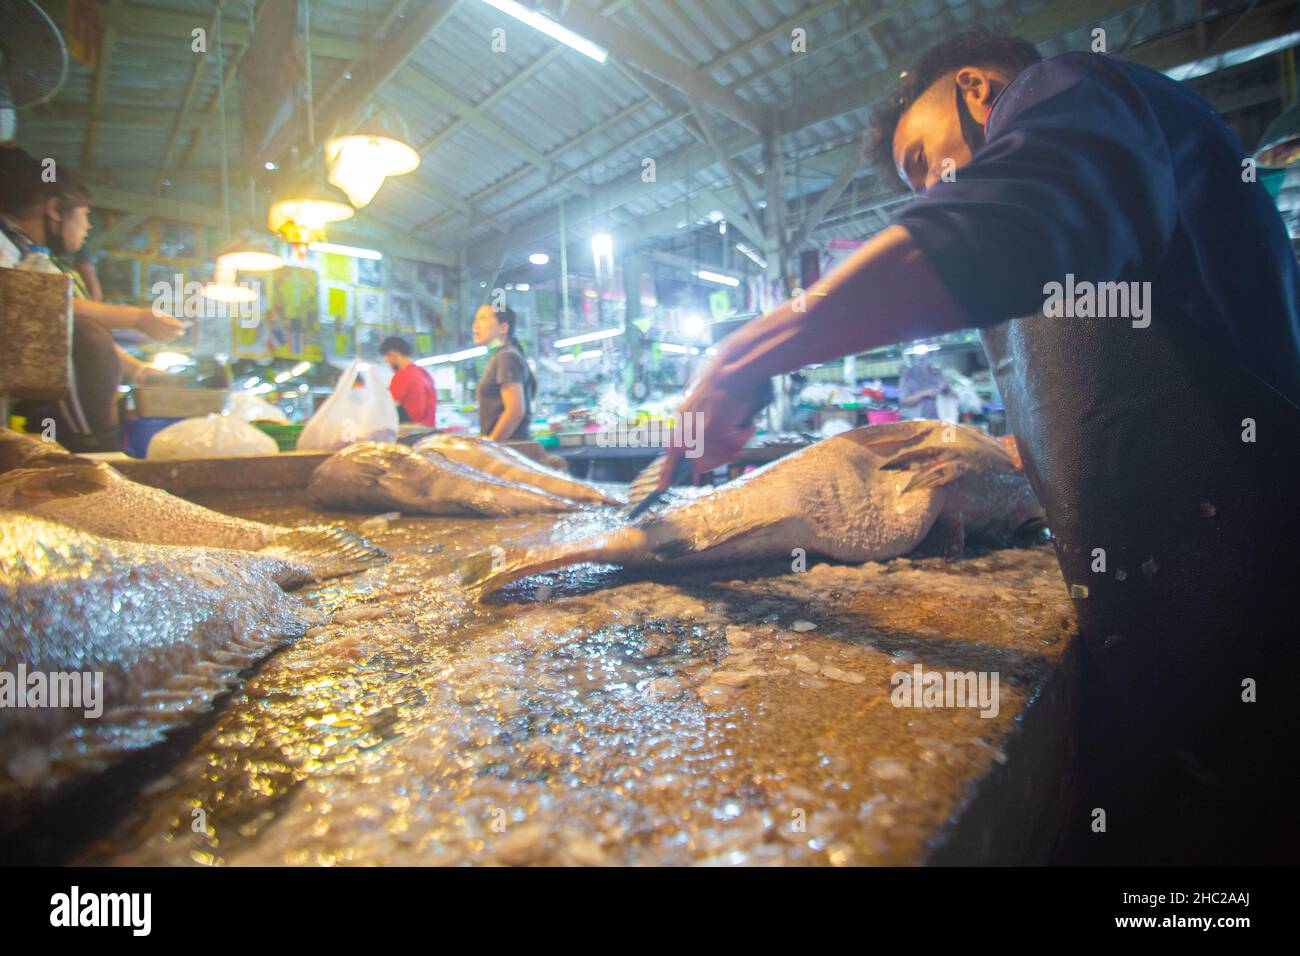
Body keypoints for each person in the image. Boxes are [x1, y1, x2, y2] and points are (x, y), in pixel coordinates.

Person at [656, 30, 1300, 864]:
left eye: (921, 158)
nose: (926, 187)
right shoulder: (1086, 228)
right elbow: (1124, 398)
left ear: (978, 89)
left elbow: (1007, 222)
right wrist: (1003, 452)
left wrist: (742, 355)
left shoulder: (1076, 92)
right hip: (1173, 647)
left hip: (1246, 637)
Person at [0, 148, 184, 450]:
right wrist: (137, 318)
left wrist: (137, 370)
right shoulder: (5, 245)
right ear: (55, 210)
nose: (88, 228)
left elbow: (67, 315)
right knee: (89, 337)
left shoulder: (35, 257)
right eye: (85, 217)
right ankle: (94, 447)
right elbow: (50, 306)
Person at [471, 304, 536, 442]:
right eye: (475, 319)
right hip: (507, 449)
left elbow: (515, 411)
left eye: (483, 319)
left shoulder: (505, 356)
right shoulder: (501, 355)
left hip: (511, 450)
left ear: (503, 328)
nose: (476, 325)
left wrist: (491, 447)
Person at [381, 335, 438, 427]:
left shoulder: (403, 375)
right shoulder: (425, 374)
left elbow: (387, 408)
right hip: (429, 433)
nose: (386, 361)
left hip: (410, 435)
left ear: (394, 354)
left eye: (387, 356)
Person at [897, 353, 949, 419]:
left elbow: (947, 392)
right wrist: (924, 393)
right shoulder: (907, 375)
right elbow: (904, 401)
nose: (922, 358)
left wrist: (950, 394)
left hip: (940, 418)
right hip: (918, 420)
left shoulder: (938, 373)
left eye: (925, 355)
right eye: (919, 355)